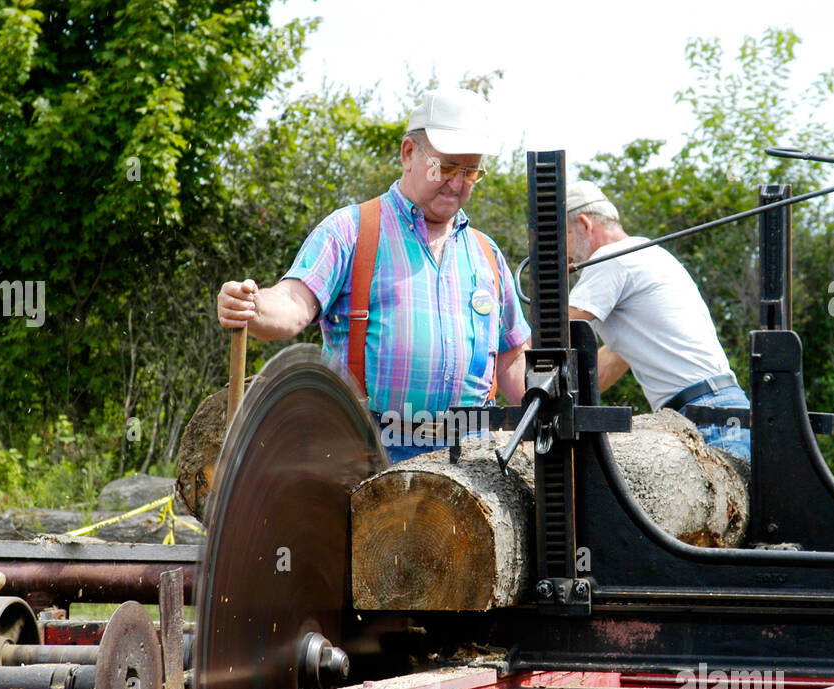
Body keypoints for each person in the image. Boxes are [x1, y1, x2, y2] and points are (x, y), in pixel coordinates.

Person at [217, 88, 530, 462]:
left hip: (473, 458)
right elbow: (292, 303)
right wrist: (251, 305)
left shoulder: (486, 253)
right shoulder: (351, 231)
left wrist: (553, 400)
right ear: (408, 153)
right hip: (369, 452)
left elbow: (512, 359)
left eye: (470, 172)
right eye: (446, 167)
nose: (458, 183)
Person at [564, 180, 750, 460]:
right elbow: (603, 371)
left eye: (561, 237)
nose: (561, 252)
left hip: (705, 414)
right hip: (721, 409)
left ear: (585, 225)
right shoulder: (648, 254)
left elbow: (556, 330)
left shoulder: (610, 258)